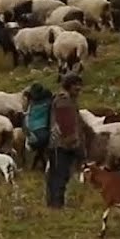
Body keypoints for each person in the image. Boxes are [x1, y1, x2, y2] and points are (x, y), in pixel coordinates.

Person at [45, 73, 86, 209]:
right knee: (60, 175)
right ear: (69, 87)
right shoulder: (64, 101)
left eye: (80, 89)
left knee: (57, 174)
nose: (79, 91)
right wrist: (75, 145)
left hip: (60, 144)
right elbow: (66, 125)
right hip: (61, 145)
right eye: (76, 89)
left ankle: (53, 203)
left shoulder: (66, 99)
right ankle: (57, 204)